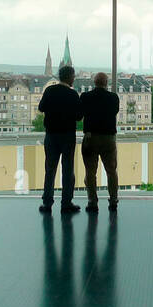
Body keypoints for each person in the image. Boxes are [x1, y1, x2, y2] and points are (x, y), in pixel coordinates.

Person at [37, 64, 82, 214]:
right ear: (69, 77)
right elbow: (79, 116)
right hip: (67, 135)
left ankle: (47, 203)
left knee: (50, 169)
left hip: (51, 134)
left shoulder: (50, 90)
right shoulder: (73, 95)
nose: (74, 79)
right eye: (73, 77)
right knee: (67, 170)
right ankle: (66, 203)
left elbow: (41, 107)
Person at [79, 71, 120, 213]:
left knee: (90, 172)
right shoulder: (114, 98)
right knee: (111, 171)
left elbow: (80, 115)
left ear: (94, 82)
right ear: (106, 83)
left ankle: (92, 201)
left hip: (91, 137)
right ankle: (113, 200)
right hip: (108, 138)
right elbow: (114, 112)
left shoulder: (85, 97)